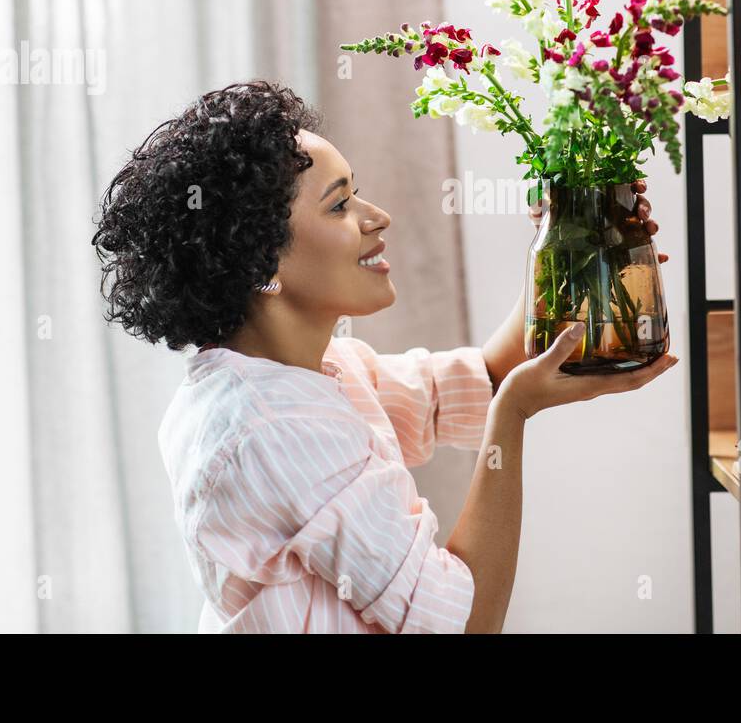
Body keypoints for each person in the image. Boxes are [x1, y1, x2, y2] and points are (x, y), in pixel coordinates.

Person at [92, 80, 677, 633]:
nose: (377, 217)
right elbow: (463, 622)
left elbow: (473, 382)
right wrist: (514, 417)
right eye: (340, 205)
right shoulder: (274, 428)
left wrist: (564, 244)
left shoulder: (310, 370)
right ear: (263, 265)